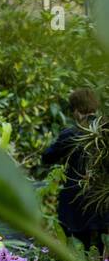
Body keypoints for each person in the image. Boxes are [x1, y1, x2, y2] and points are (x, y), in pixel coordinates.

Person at [42, 87, 109, 247]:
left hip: (75, 203)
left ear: (76, 110)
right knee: (101, 251)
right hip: (103, 201)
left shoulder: (71, 134)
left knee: (76, 248)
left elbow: (47, 157)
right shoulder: (105, 130)